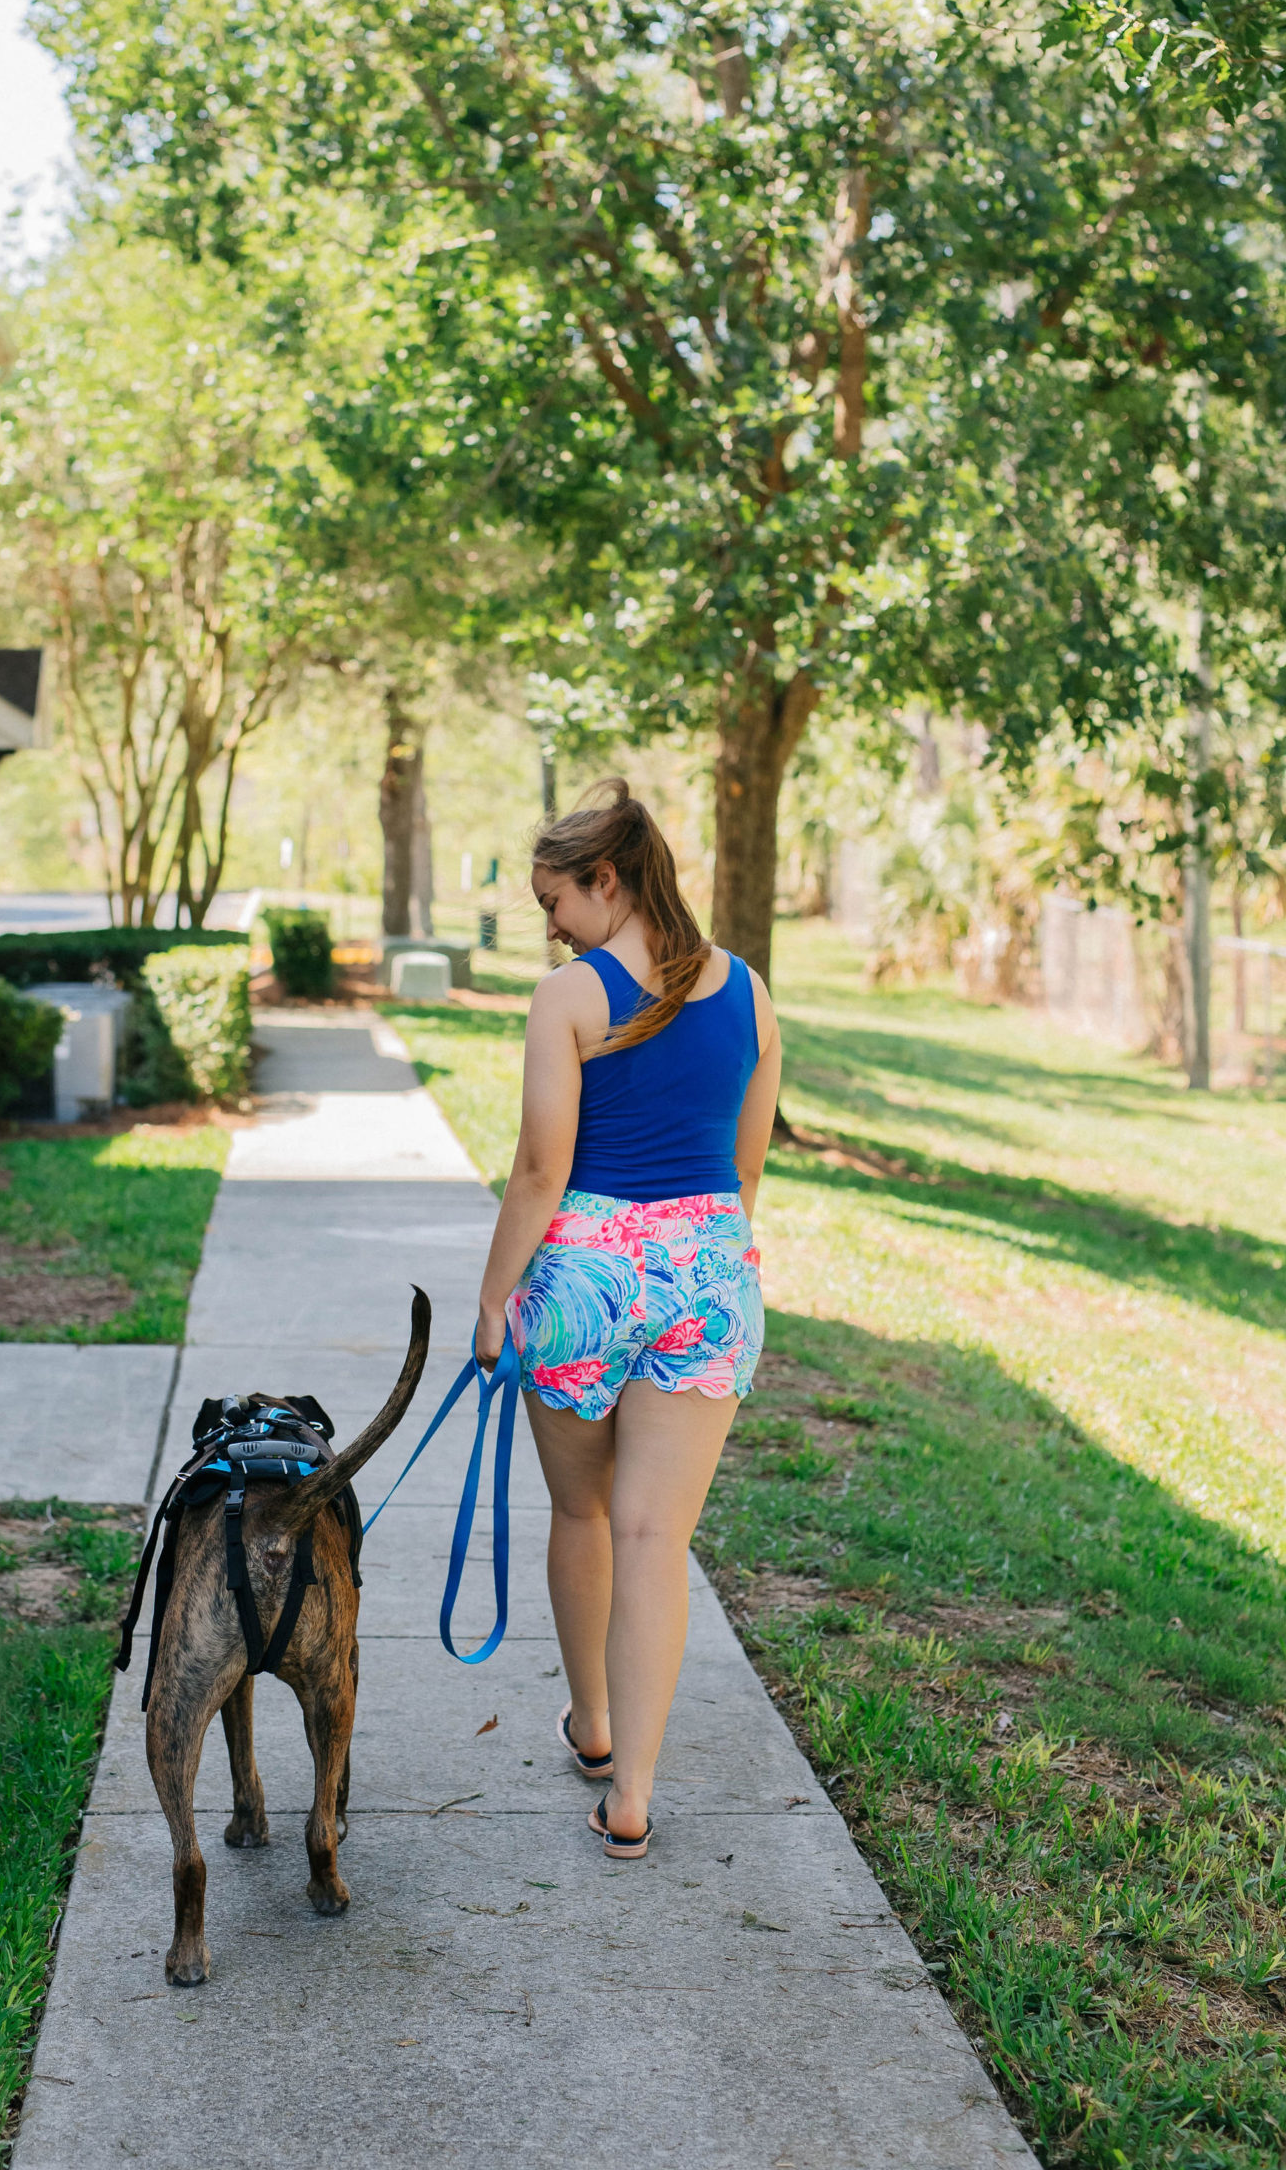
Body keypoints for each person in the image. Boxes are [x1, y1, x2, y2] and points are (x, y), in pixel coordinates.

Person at [474, 780, 780, 1858]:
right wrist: (698, 1261)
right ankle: (633, 1794)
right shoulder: (748, 990)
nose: (550, 924)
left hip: (584, 1278)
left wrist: (492, 1302)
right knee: (659, 1533)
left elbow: (540, 1166)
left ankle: (593, 1725)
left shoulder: (569, 1000)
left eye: (555, 898)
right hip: (707, 1268)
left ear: (605, 880)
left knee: (584, 1513)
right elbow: (746, 1167)